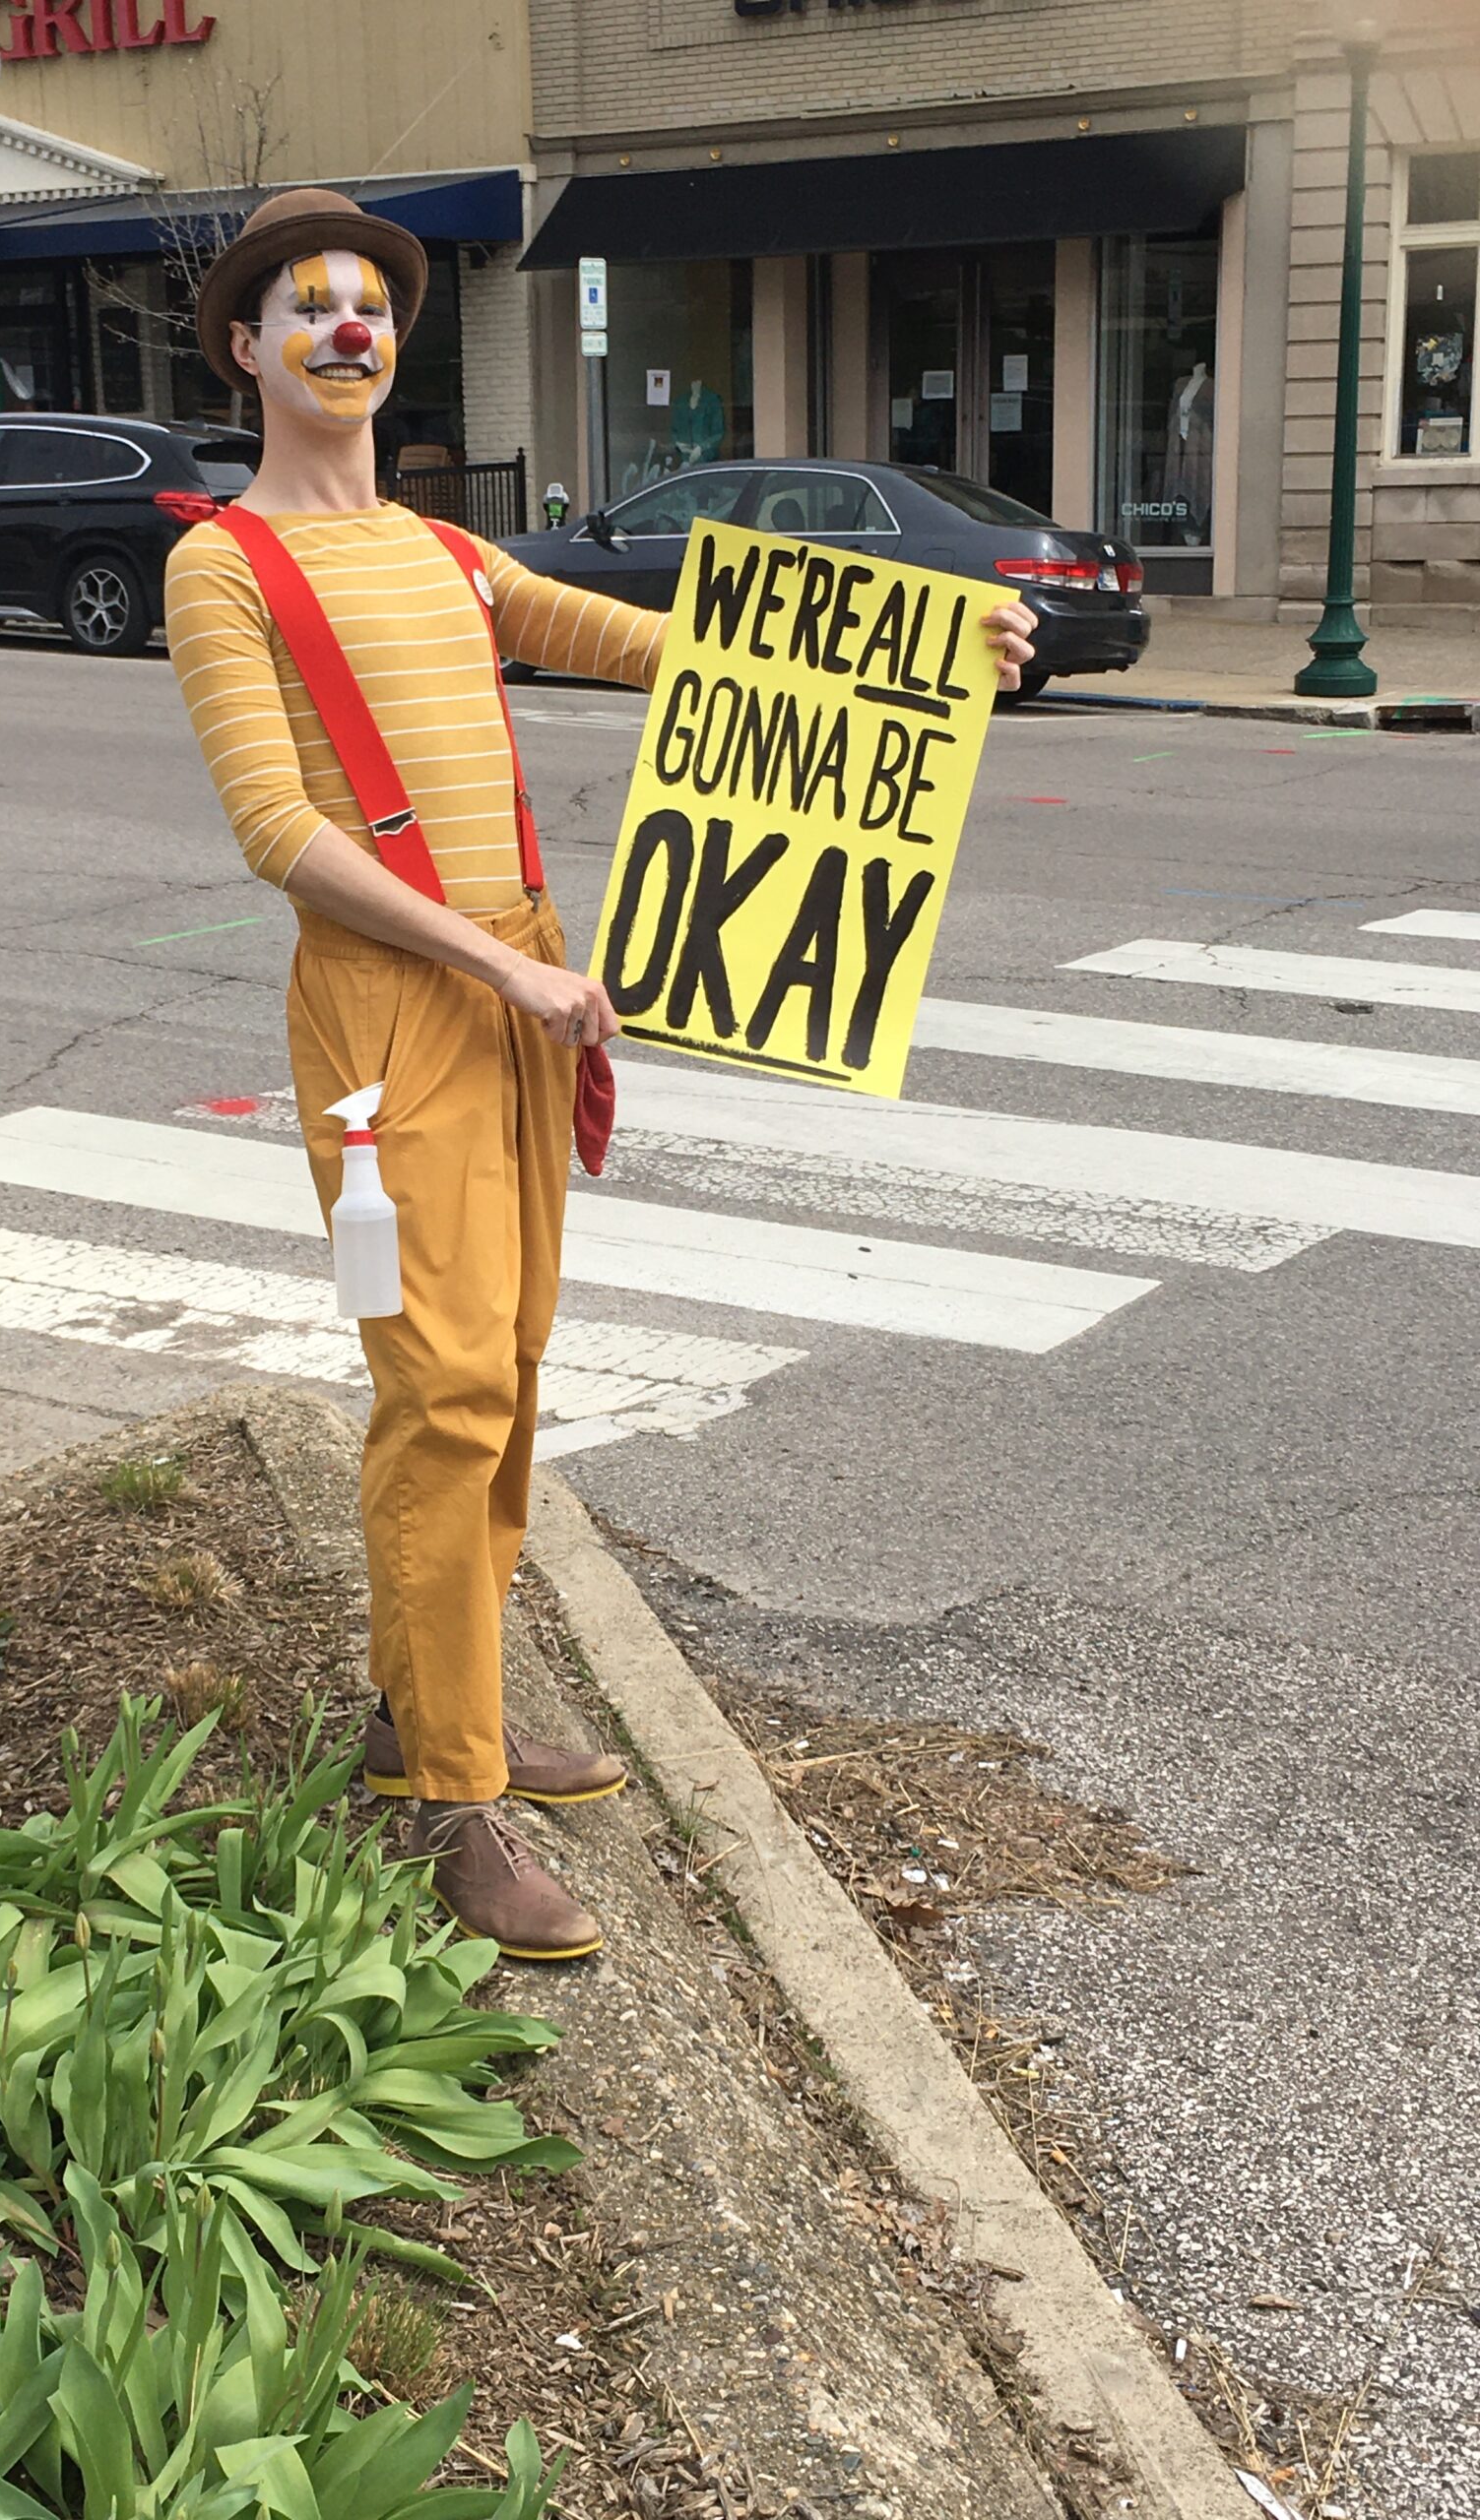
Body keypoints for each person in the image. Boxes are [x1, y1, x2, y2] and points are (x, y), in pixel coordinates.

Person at [165, 188, 1037, 1962]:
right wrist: (504, 966)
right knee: (445, 1385)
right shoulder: (219, 563)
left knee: (519, 1363)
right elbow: (278, 831)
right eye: (307, 308)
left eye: (370, 308)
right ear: (248, 349)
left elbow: (640, 640)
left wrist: (935, 641)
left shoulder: (441, 555)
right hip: (390, 1016)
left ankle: (437, 1717)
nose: (349, 328)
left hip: (515, 992)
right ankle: (452, 1803)